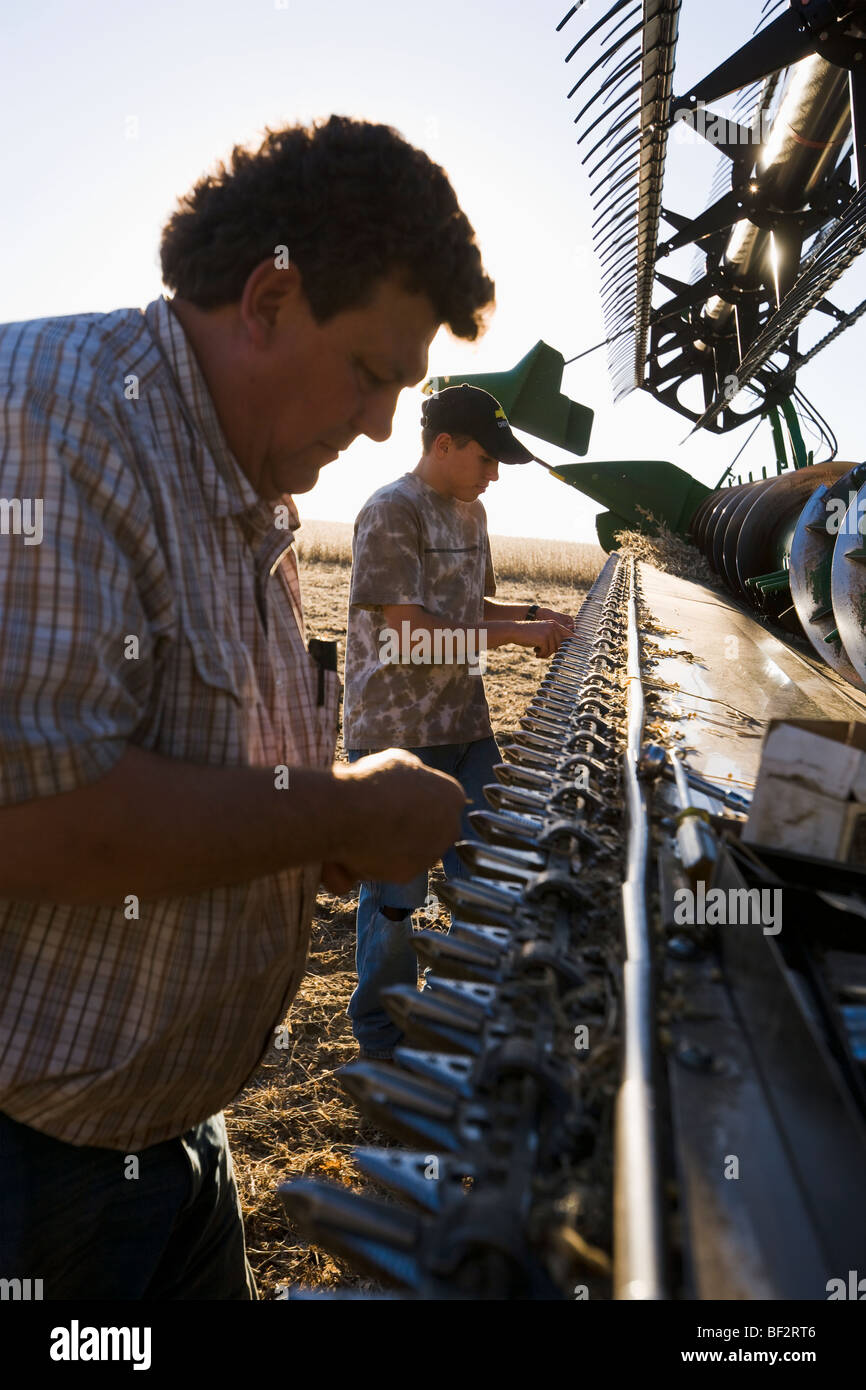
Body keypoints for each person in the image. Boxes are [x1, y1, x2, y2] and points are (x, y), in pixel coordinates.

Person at [0, 115, 495, 1299]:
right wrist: (333, 816)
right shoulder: (56, 423)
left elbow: (213, 767)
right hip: (32, 1172)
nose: (381, 422)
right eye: (371, 371)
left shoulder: (246, 485)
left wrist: (295, 833)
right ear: (269, 297)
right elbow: (39, 820)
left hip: (175, 1143)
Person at [342, 384, 575, 1059]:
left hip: (467, 727)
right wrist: (510, 638)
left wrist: (536, 618)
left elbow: (473, 602)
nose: (494, 475)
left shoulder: (471, 516)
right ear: (443, 446)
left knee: (489, 878)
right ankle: (383, 1039)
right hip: (396, 736)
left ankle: (466, 1019)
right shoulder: (391, 512)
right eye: (486, 459)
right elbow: (410, 639)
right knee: (396, 899)